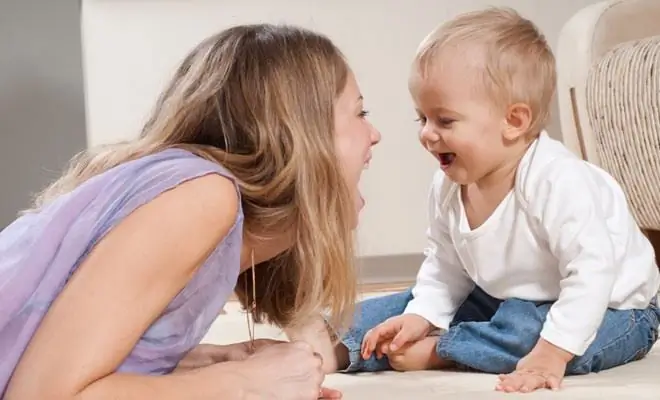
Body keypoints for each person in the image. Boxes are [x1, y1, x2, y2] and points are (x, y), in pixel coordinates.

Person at [290, 7, 660, 394]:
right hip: (507, 298)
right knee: (405, 305)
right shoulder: (449, 185)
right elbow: (445, 268)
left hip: (614, 307)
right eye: (422, 119)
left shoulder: (557, 181)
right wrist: (422, 314)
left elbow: (591, 274)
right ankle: (337, 344)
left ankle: (445, 351)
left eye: (445, 121)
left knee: (530, 333)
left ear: (514, 121)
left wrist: (552, 353)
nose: (428, 135)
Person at [0, 24, 380, 399]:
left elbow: (61, 351)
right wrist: (244, 385)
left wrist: (212, 363)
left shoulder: (195, 199)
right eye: (360, 113)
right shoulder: (202, 197)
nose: (374, 135)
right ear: (300, 135)